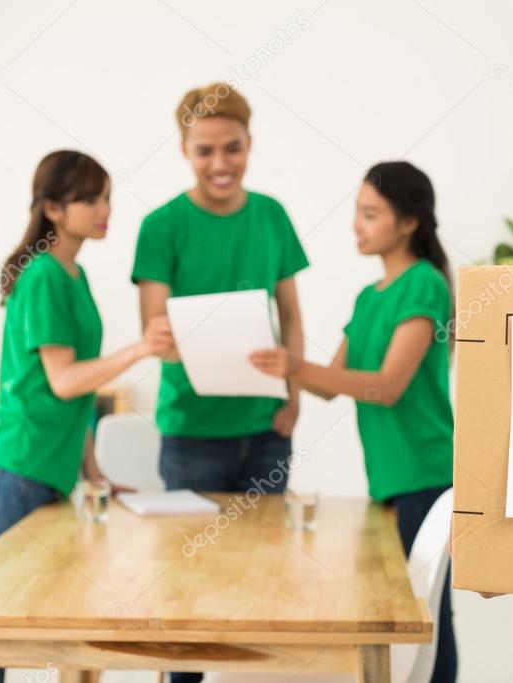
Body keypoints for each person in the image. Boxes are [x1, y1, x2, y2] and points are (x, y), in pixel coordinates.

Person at [250, 161, 458, 683]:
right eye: (357, 213)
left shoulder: (424, 285)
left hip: (427, 476)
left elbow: (386, 387)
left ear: (408, 223)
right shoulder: (370, 297)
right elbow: (329, 382)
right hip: (390, 481)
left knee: (424, 618)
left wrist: (297, 366)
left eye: (370, 214)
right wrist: (276, 362)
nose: (356, 225)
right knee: (405, 614)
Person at [0, 149, 174, 683]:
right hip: (19, 466)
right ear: (54, 209)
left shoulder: (74, 274)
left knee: (61, 604)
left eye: (107, 196)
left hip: (52, 468)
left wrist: (96, 475)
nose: (104, 208)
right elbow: (65, 379)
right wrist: (139, 350)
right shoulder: (43, 276)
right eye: (89, 199)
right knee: (2, 617)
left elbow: (76, 396)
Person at [131, 82, 308, 496]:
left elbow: (290, 315)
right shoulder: (161, 227)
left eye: (233, 148)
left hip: (269, 428)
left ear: (250, 143)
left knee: (266, 556)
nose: (220, 164)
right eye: (204, 151)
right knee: (191, 556)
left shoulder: (272, 215)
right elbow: (157, 334)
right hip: (192, 431)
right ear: (184, 150)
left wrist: (294, 398)